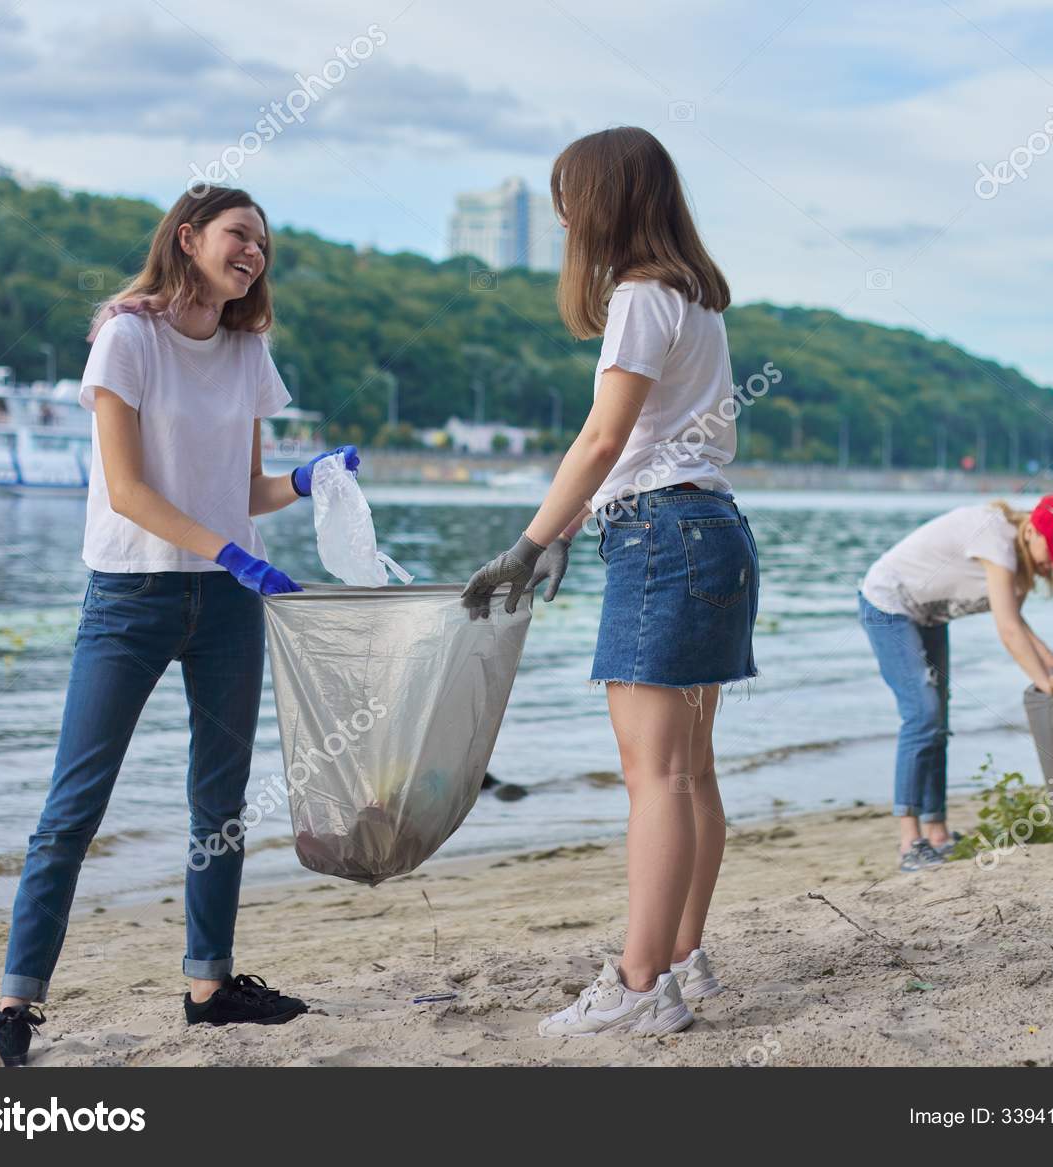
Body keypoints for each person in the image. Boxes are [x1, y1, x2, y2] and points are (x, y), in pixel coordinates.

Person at [0, 186, 357, 1066]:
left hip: (224, 605)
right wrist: (235, 553)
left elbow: (243, 489)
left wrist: (304, 482)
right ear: (188, 238)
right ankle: (14, 1007)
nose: (254, 251)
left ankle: (210, 988)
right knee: (74, 804)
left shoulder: (247, 349)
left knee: (219, 804)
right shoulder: (127, 337)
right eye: (238, 234)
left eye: (263, 241)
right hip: (131, 595)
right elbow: (132, 490)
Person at [461, 127, 757, 1036]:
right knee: (690, 770)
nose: (560, 216)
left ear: (603, 203)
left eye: (568, 198)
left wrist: (530, 539)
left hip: (662, 538)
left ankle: (636, 986)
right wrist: (575, 528)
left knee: (656, 777)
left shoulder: (638, 296)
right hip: (713, 530)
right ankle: (681, 960)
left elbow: (602, 436)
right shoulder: (694, 299)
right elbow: (647, 443)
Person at [859, 497, 1053, 872]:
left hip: (927, 617)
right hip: (887, 605)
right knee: (922, 716)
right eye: (1049, 552)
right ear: (1032, 529)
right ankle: (910, 842)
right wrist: (1044, 684)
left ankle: (937, 833)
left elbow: (1018, 622)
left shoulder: (1017, 558)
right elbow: (1006, 630)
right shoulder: (995, 537)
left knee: (937, 722)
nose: (1049, 565)